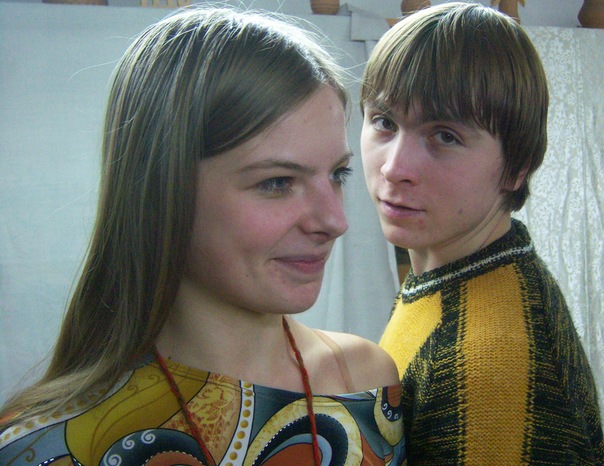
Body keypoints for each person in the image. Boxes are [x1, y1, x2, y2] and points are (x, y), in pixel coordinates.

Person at [0, 7, 407, 465]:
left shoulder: (366, 381)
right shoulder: (42, 445)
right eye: (277, 182)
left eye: (337, 174)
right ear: (163, 187)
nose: (334, 221)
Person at [360, 2, 603, 465]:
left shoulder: (489, 364)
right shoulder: (450, 277)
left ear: (516, 167)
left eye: (445, 136)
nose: (394, 168)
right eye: (384, 122)